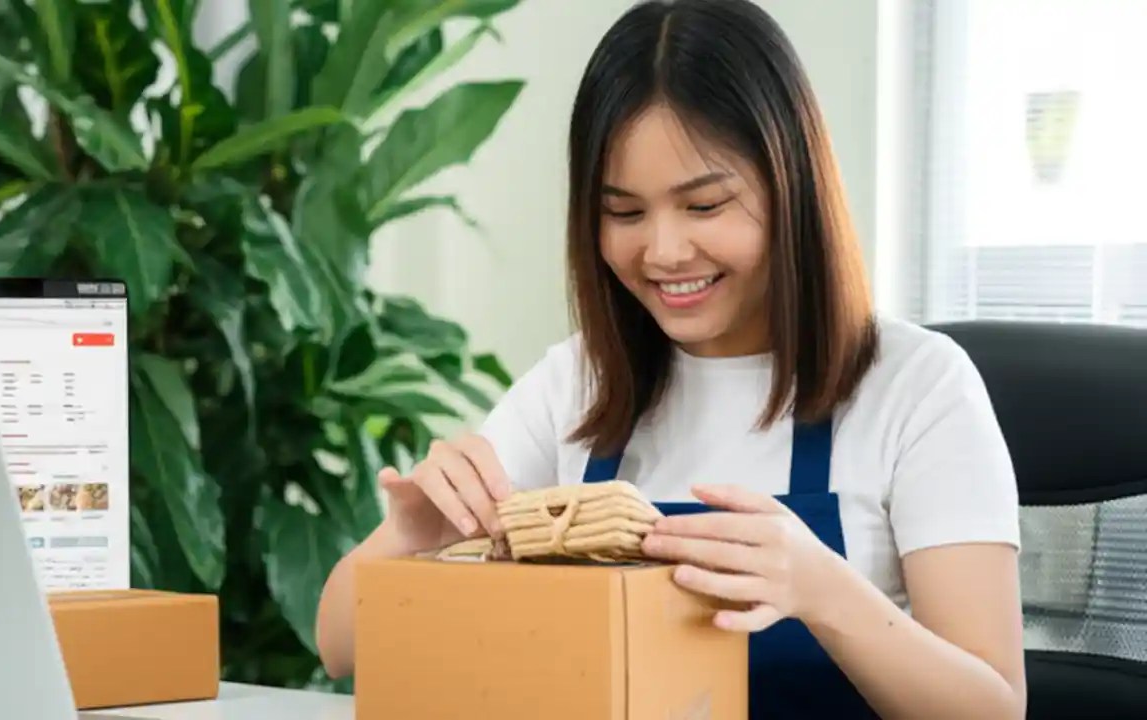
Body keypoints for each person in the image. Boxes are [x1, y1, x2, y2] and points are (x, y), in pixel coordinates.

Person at [316, 0, 1026, 717]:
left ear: (792, 189)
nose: (663, 252)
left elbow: (994, 709)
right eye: (624, 213)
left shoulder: (916, 386)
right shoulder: (577, 384)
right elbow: (341, 646)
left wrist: (823, 592)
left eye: (706, 206)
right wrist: (413, 536)